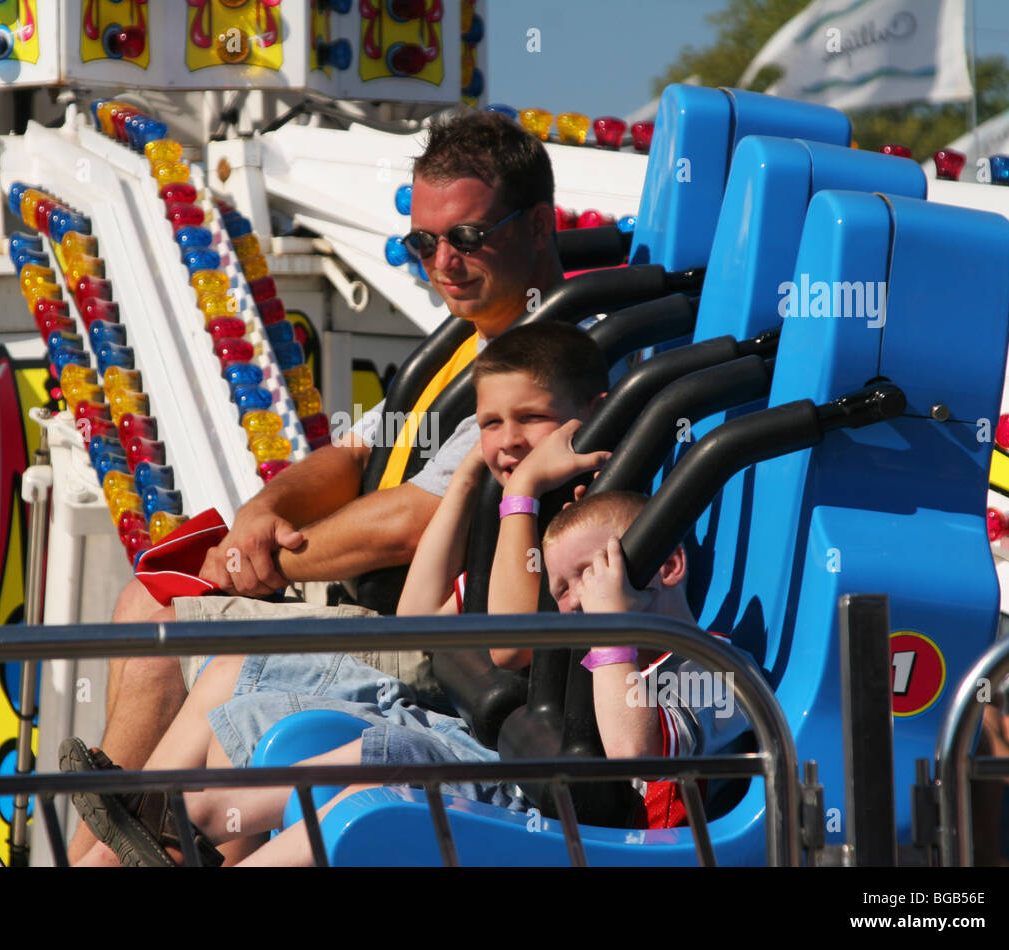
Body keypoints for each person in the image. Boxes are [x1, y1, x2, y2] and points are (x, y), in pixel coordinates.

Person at [71, 109, 565, 862]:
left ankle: (105, 852)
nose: (443, 261)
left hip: (432, 641)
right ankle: (128, 839)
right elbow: (352, 453)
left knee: (158, 609)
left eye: (467, 237)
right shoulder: (459, 347)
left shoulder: (536, 373)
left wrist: (262, 563)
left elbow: (410, 522)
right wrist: (259, 515)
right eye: (422, 242)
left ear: (537, 227)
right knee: (168, 587)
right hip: (383, 608)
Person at [62, 326, 653, 866]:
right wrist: (471, 476)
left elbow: (507, 643)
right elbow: (416, 619)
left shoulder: (581, 522)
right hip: (464, 731)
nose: (510, 440)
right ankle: (157, 822)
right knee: (230, 676)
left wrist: (520, 490)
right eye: (490, 424)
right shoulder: (509, 516)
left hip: (502, 765)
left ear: (592, 415)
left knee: (362, 772)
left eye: (533, 418)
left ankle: (159, 829)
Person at [65, 483, 734, 866]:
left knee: (406, 757)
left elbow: (635, 751)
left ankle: (182, 826)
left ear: (664, 568)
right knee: (387, 723)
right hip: (528, 780)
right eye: (560, 588)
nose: (572, 602)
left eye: (589, 577)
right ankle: (177, 820)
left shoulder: (715, 668)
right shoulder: (591, 645)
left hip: (603, 841)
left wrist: (615, 635)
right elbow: (434, 623)